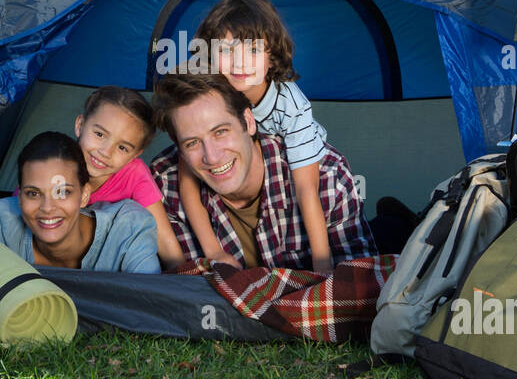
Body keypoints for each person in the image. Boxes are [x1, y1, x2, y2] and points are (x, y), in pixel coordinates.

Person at [150, 71, 376, 271]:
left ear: (248, 121)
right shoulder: (163, 188)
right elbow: (183, 296)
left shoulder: (328, 174)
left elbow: (356, 288)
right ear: (178, 146)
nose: (212, 156)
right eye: (192, 143)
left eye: (220, 132)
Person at [176, 0, 336, 271]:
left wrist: (323, 263)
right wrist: (214, 250)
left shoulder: (292, 106)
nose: (239, 63)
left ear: (272, 58)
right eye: (226, 51)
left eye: (252, 50)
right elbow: (187, 183)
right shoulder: (206, 99)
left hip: (305, 167)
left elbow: (306, 188)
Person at [0, 131, 160, 274]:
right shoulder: (4, 218)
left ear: (84, 195)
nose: (47, 208)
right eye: (33, 193)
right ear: (19, 196)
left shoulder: (129, 228)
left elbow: (150, 305)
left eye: (63, 192)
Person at [72, 86, 184, 270]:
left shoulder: (134, 174)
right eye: (99, 134)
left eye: (122, 147)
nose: (105, 152)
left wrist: (183, 278)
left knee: (133, 216)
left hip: (111, 269)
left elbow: (163, 237)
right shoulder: (54, 162)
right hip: (57, 262)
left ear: (135, 155)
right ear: (80, 125)